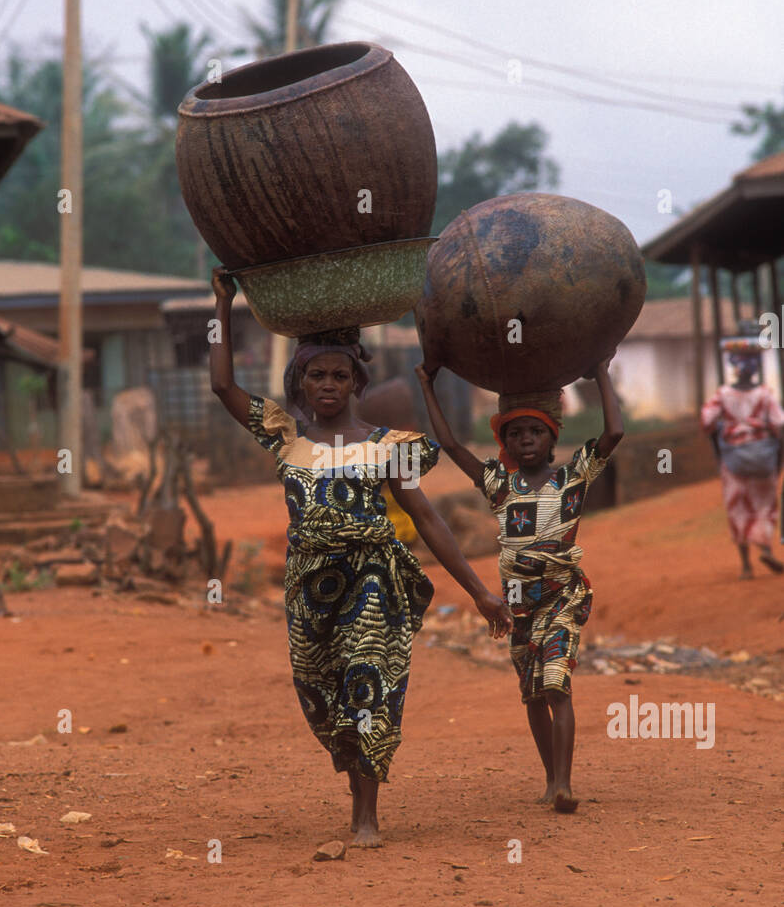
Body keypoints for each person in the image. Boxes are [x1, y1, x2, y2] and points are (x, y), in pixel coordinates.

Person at [210, 269, 511, 848]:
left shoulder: (386, 446)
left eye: (339, 375)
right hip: (309, 588)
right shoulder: (284, 436)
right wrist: (223, 305)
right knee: (321, 693)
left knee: (368, 680)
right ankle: (354, 783)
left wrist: (479, 591)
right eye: (317, 375)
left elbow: (427, 518)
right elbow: (225, 388)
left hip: (374, 576)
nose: (328, 384)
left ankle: (365, 818)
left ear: (356, 383)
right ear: (299, 382)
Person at [416, 358, 624, 814]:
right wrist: (428, 385)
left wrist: (601, 373)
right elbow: (448, 442)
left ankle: (565, 784)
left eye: (535, 431)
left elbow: (612, 434)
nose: (525, 439)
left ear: (553, 437)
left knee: (557, 685)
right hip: (516, 607)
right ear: (505, 442)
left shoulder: (573, 478)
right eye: (515, 433)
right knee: (532, 693)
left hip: (561, 599)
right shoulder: (499, 484)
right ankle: (550, 780)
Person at [700, 332, 784, 579]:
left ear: (733, 367)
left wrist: (720, 441)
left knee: (737, 508)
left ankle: (746, 567)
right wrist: (778, 460)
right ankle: (766, 549)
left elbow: (706, 422)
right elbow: (780, 427)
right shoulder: (766, 395)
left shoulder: (723, 395)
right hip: (763, 458)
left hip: (733, 460)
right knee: (764, 505)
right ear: (755, 368)